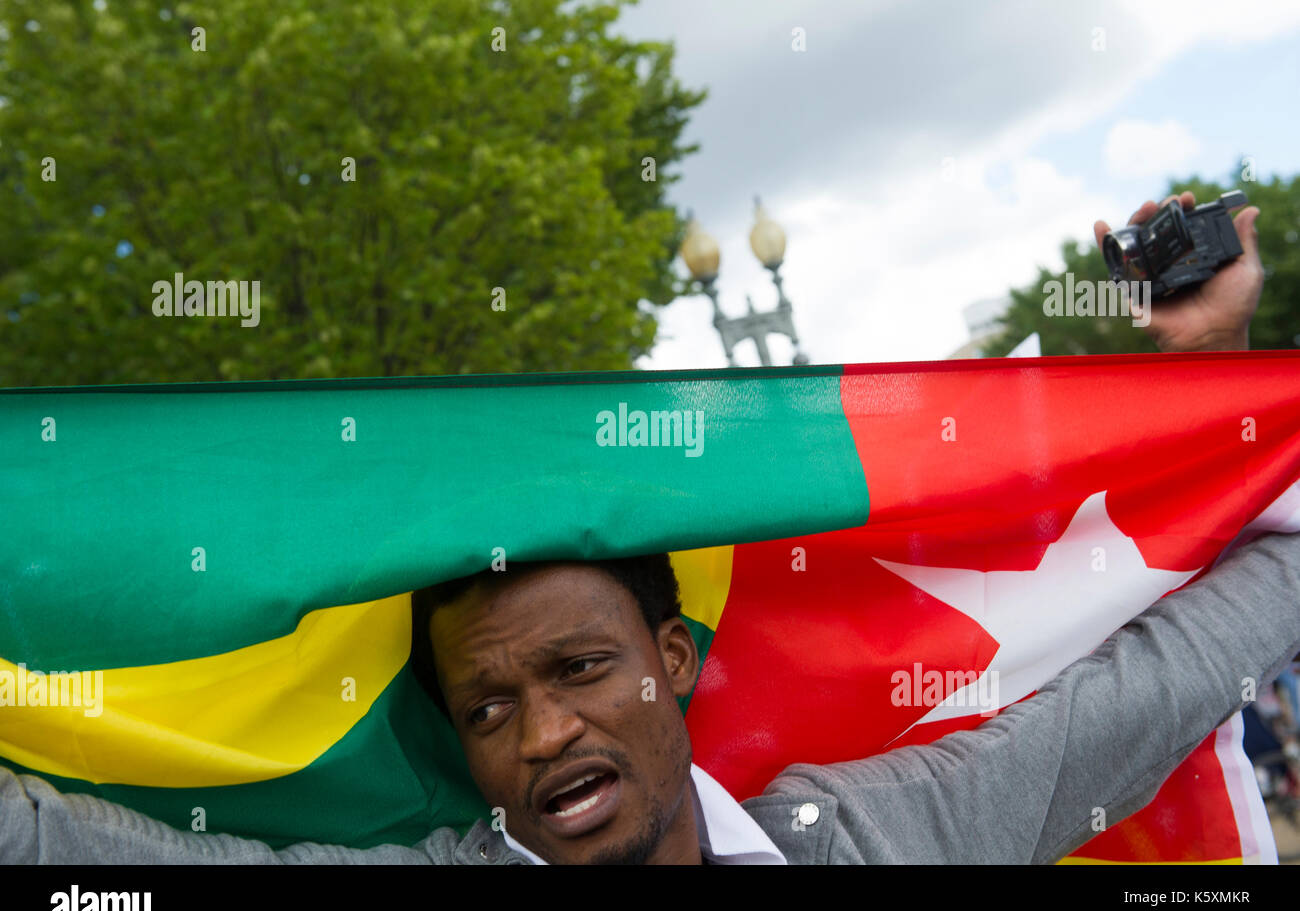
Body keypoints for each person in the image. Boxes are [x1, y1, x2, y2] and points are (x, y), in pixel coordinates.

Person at [1, 192, 1288, 865]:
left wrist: (1215, 376)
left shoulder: (891, 832)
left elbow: (1173, 664)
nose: (544, 731)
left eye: (576, 669)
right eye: (488, 708)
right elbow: (68, 855)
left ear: (671, 657)